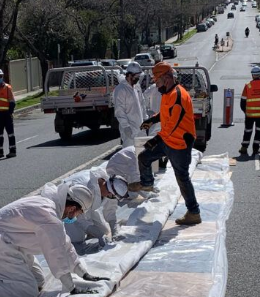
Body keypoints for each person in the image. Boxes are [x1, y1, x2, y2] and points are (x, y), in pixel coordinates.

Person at [0, 183, 106, 297]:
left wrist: (83, 273)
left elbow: (64, 243)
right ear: (72, 208)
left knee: (38, 280)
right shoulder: (49, 216)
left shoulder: (50, 207)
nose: (75, 217)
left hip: (11, 244)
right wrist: (72, 288)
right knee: (27, 291)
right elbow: (56, 253)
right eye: (79, 213)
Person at [138, 62, 202, 226]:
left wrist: (155, 140)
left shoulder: (178, 95)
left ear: (166, 78)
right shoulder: (168, 93)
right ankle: (147, 184)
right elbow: (166, 113)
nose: (156, 84)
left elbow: (173, 124)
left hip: (180, 143)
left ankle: (194, 212)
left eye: (157, 81)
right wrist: (152, 120)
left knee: (182, 177)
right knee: (144, 157)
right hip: (168, 139)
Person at [62, 168, 131, 249]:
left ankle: (90, 232)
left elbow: (110, 211)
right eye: (112, 196)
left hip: (85, 208)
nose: (111, 198)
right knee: (77, 240)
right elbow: (79, 218)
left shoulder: (108, 187)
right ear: (110, 193)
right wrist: (99, 235)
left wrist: (115, 231)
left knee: (105, 231)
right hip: (69, 209)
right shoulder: (86, 188)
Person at [239, 65, 260, 156]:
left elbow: (242, 101)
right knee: (259, 131)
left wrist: (246, 112)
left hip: (249, 114)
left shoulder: (248, 86)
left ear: (252, 75)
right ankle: (255, 149)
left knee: (248, 131)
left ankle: (244, 148)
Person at [113, 62, 145, 148]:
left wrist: (145, 120)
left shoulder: (136, 88)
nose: (138, 79)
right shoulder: (120, 90)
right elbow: (119, 111)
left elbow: (142, 105)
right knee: (129, 155)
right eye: (136, 77)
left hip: (140, 128)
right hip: (129, 131)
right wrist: (126, 127)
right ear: (129, 75)